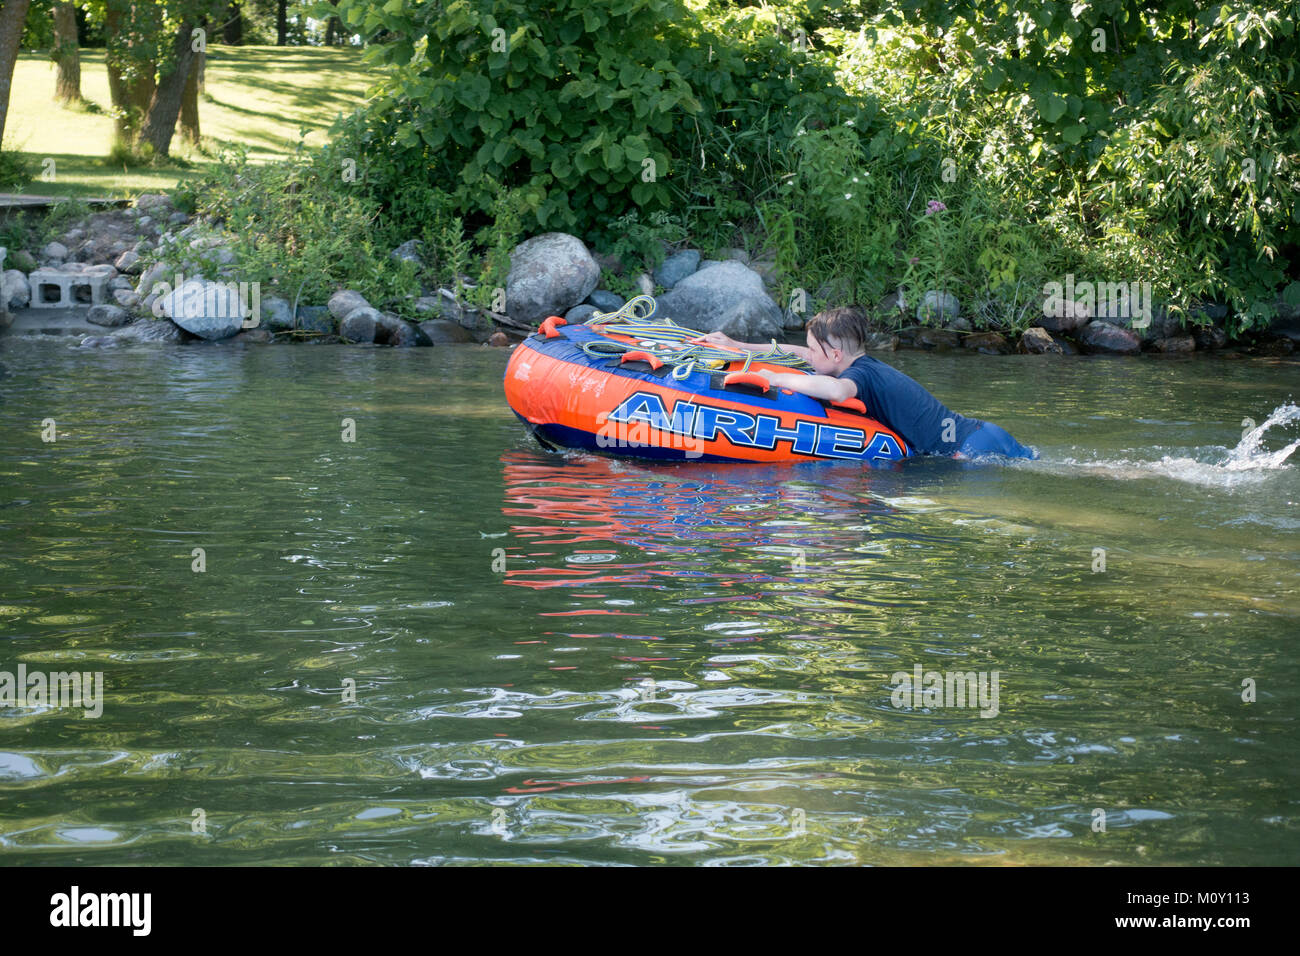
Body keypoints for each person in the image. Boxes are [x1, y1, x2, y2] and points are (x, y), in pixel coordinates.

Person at [690, 306, 1036, 459]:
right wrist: (739, 346)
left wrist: (773, 376)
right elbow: (797, 350)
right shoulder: (858, 363)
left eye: (814, 350)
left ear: (836, 356)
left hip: (972, 449)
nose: (807, 356)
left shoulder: (857, 377)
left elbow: (837, 391)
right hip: (983, 434)